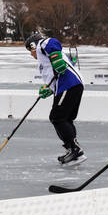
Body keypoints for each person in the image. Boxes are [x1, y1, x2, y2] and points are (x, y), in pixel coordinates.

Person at [27, 31, 85, 167]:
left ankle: (75, 149)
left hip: (69, 84)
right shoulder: (42, 63)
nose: (31, 54)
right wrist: (48, 89)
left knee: (57, 117)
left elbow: (52, 42)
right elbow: (54, 77)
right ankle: (73, 150)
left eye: (30, 50)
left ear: (33, 46)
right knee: (64, 119)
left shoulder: (42, 45)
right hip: (68, 86)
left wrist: (56, 57)